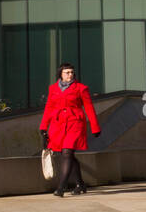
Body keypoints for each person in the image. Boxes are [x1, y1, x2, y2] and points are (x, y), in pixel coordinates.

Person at [39, 63, 100, 197]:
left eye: (72, 72)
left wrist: (95, 127)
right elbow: (49, 108)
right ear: (60, 74)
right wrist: (43, 127)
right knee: (67, 155)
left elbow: (89, 108)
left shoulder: (81, 88)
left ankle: (61, 187)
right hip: (58, 125)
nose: (70, 74)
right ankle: (80, 184)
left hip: (75, 124)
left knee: (67, 152)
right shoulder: (53, 88)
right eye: (67, 72)